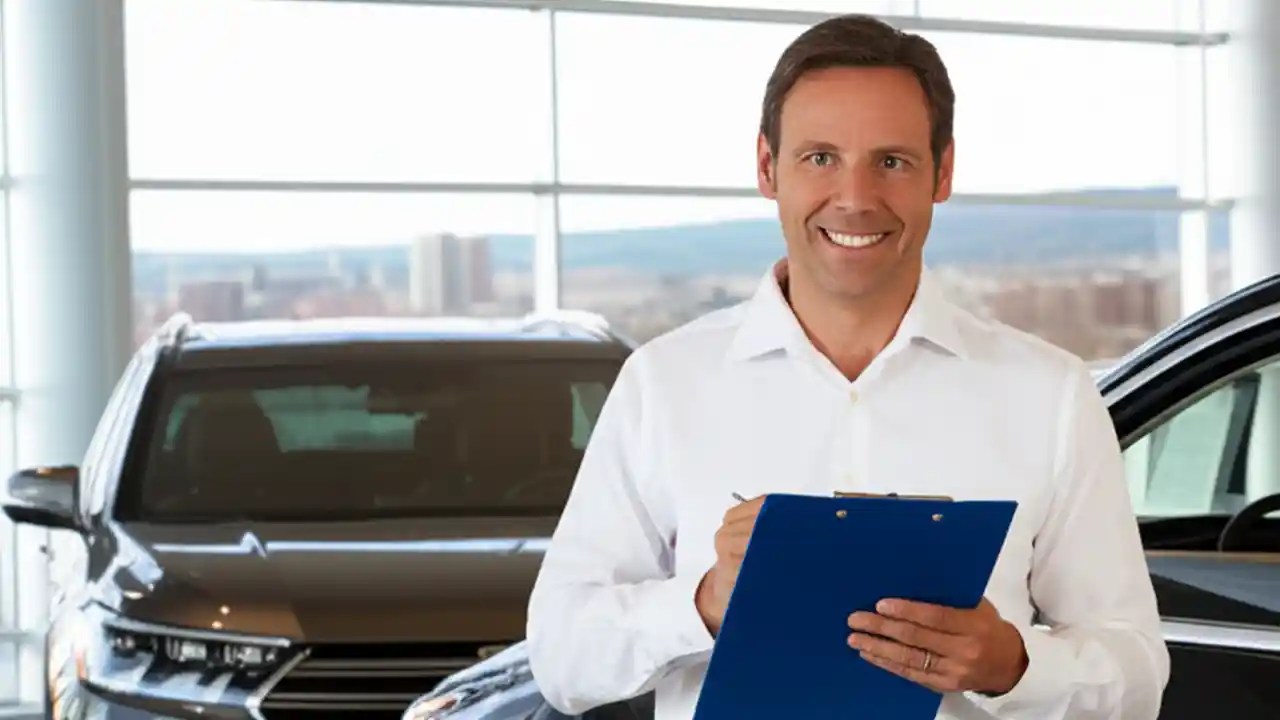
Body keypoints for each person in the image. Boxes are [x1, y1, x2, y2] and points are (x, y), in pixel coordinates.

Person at [526, 13, 1170, 720]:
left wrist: (1012, 665)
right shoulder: (665, 383)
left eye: (891, 161)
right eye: (820, 158)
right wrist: (706, 600)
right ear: (768, 168)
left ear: (942, 171)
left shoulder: (1049, 393)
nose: (856, 198)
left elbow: (1135, 675)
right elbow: (561, 660)